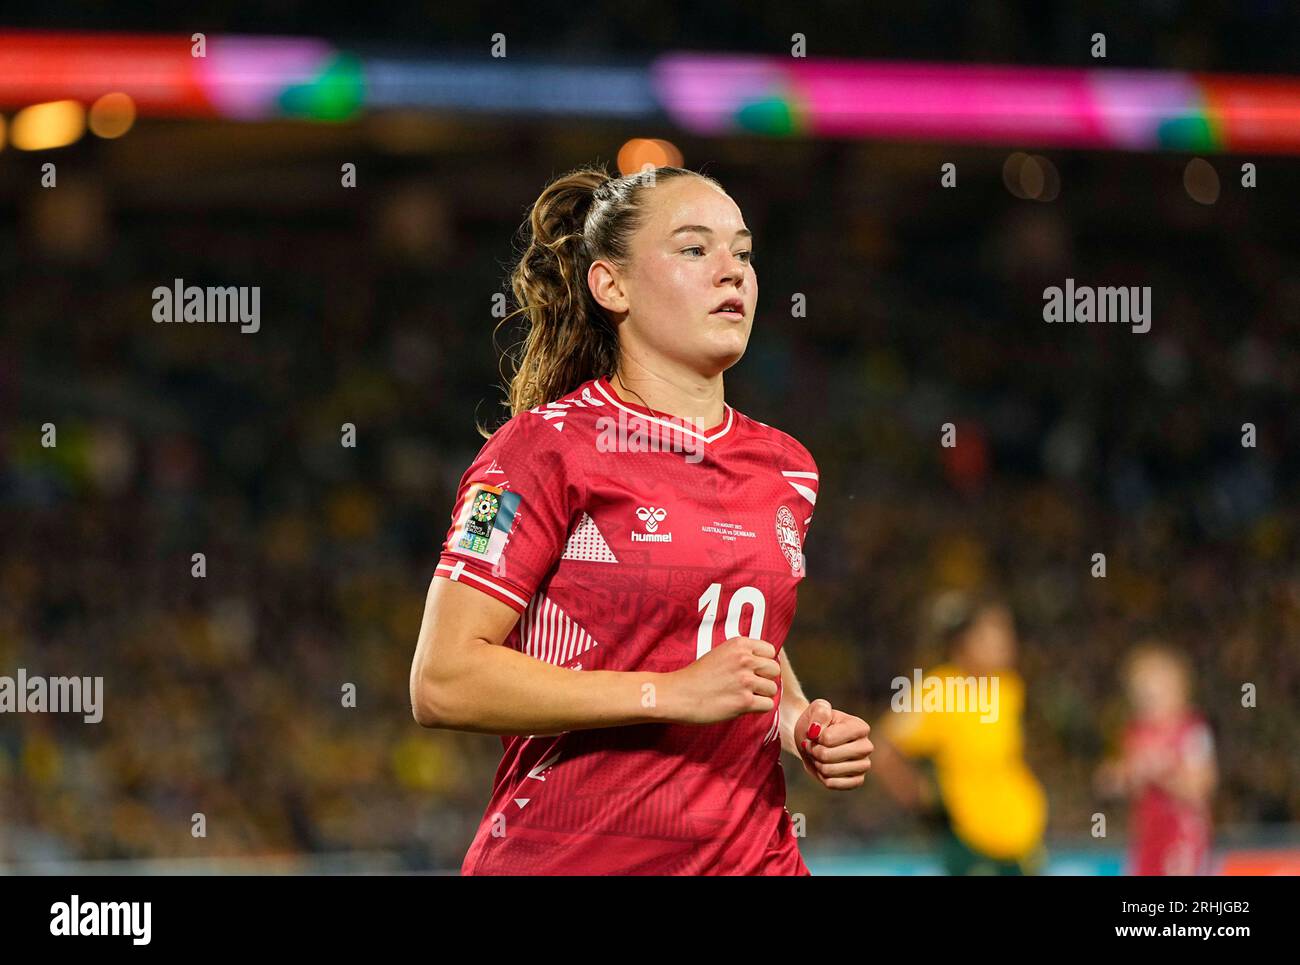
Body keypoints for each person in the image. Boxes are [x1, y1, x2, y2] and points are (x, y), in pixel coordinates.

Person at [408, 163, 873, 875]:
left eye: (742, 253)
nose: (732, 273)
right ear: (610, 284)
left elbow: (732, 635)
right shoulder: (543, 450)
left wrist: (798, 719)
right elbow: (441, 680)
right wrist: (672, 693)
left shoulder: (788, 468)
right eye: (695, 249)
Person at [873, 591, 1048, 874]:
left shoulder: (1008, 688)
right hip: (971, 842)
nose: (1006, 642)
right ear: (963, 642)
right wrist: (919, 798)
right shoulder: (939, 690)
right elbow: (883, 747)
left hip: (1022, 839)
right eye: (993, 633)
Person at [1095, 642, 1216, 875]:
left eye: (1156, 693)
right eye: (1142, 695)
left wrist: (1163, 774)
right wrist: (1124, 777)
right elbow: (1112, 782)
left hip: (1183, 839)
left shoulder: (1192, 731)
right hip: (1147, 838)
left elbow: (1201, 787)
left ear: (1181, 691)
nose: (1149, 702)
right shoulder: (1134, 733)